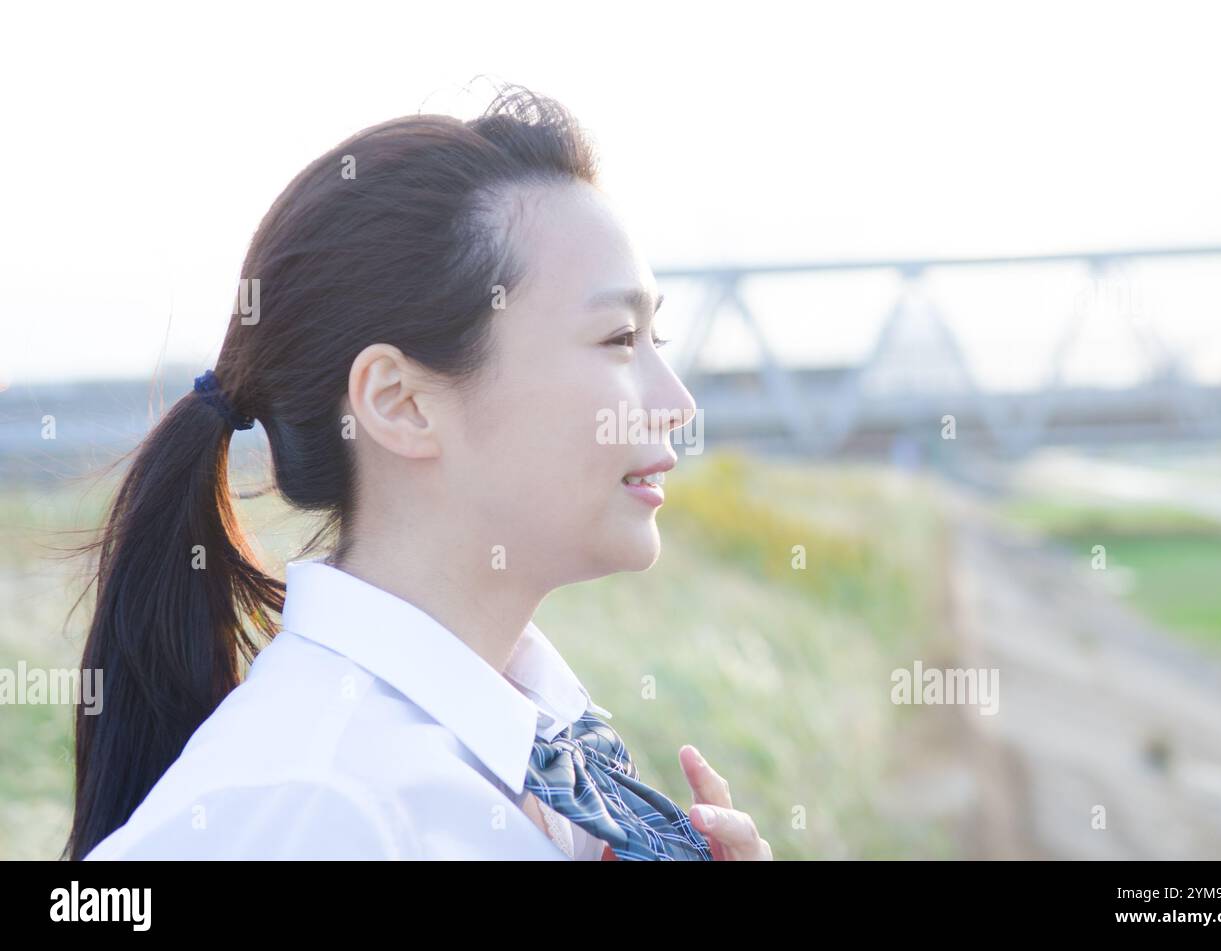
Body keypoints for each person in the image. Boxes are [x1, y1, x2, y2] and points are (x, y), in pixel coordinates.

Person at [67, 82, 772, 861]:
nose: (676, 402)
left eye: (655, 340)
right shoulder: (303, 807)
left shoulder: (544, 754)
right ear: (400, 402)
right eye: (616, 339)